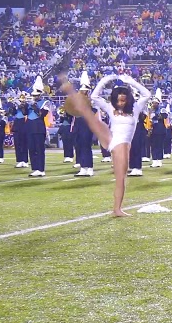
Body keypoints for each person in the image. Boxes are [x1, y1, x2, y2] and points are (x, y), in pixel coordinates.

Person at [61, 71, 152, 217]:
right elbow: (95, 96)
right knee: (91, 119)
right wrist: (104, 80)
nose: (120, 103)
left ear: (128, 100)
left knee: (120, 178)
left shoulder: (135, 109)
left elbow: (147, 94)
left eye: (123, 100)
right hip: (112, 140)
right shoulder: (111, 108)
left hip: (122, 144)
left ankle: (117, 209)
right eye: (118, 100)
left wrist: (131, 81)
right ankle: (70, 91)